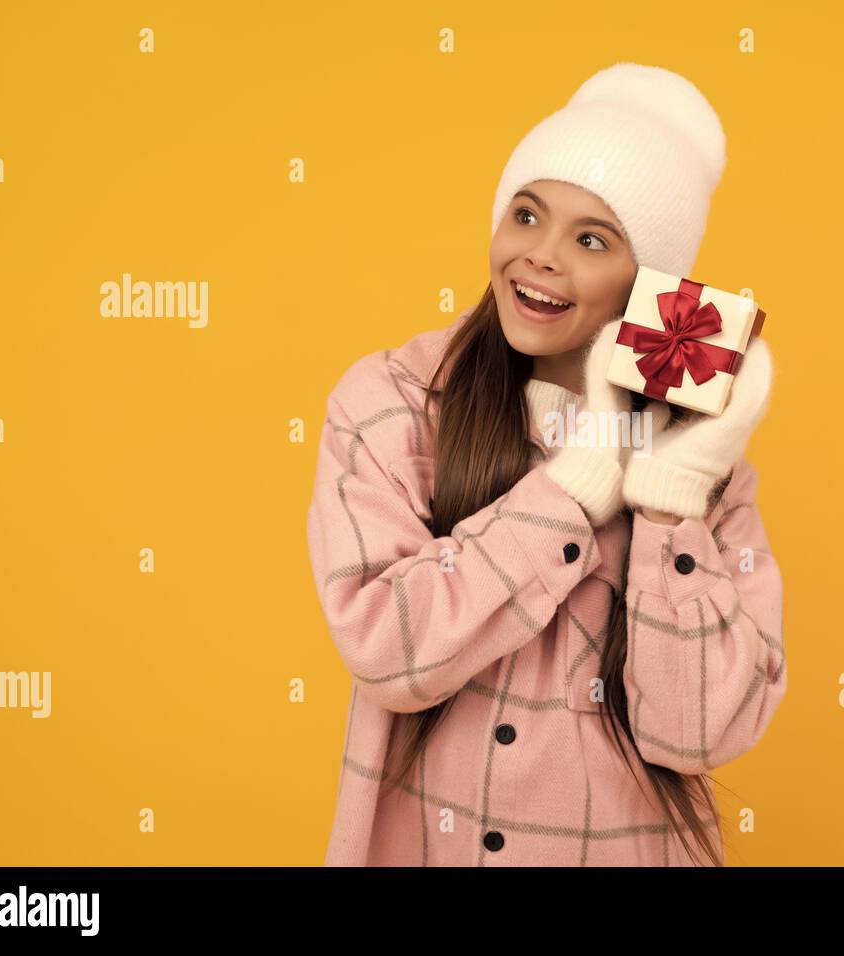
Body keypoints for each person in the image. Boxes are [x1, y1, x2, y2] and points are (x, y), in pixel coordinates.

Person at [306, 62, 785, 866]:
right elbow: (390, 652)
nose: (541, 257)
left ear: (649, 285)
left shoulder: (701, 459)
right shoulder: (390, 402)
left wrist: (670, 495)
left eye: (592, 238)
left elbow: (700, 731)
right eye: (526, 215)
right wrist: (579, 478)